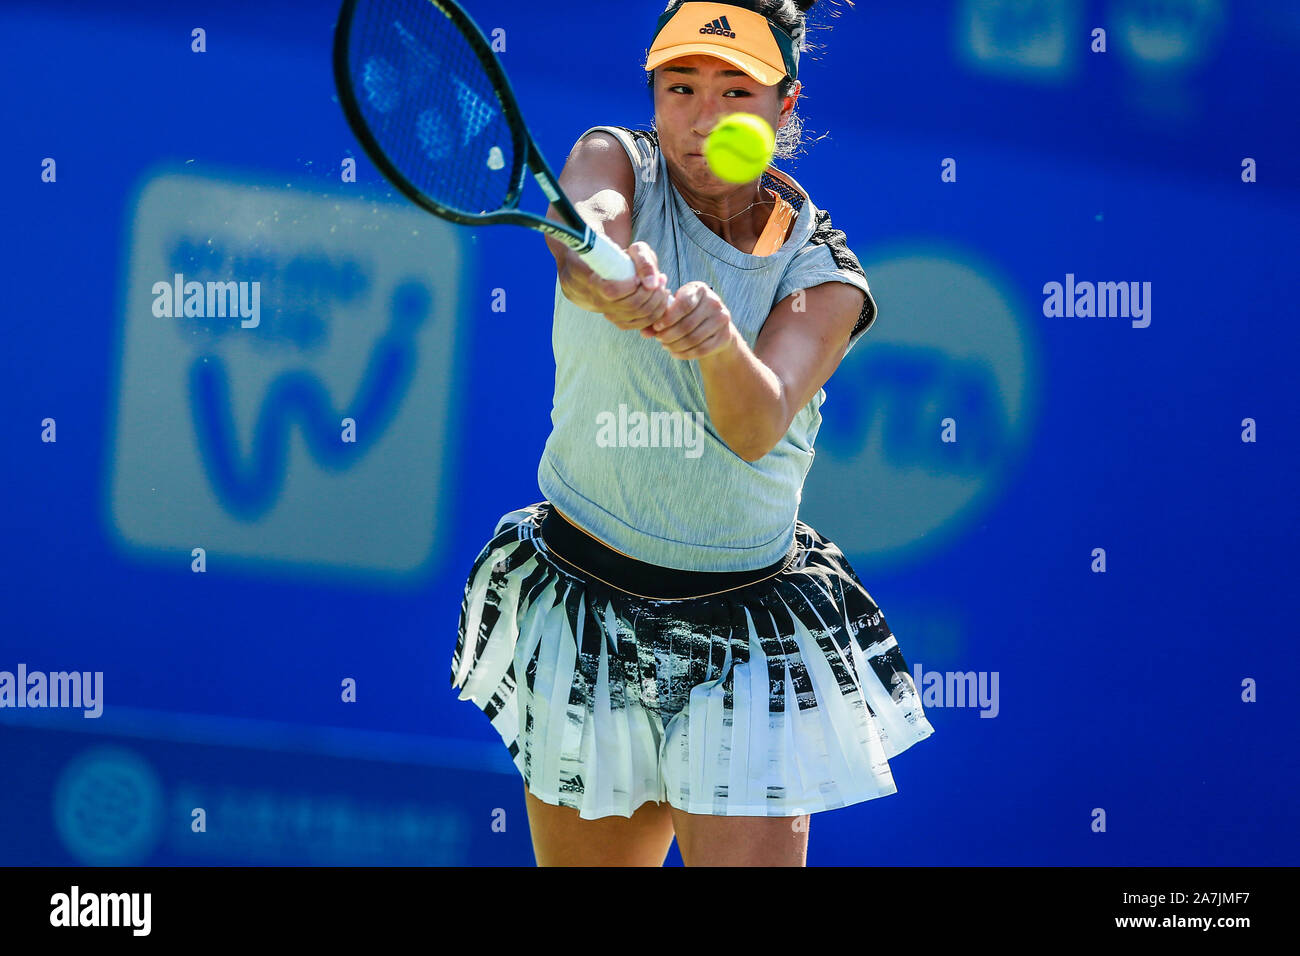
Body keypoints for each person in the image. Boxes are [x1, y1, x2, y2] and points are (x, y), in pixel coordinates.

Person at [450, 0, 934, 867]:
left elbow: (755, 424)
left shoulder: (824, 276)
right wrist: (610, 269)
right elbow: (587, 230)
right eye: (680, 87)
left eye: (734, 90)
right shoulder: (614, 159)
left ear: (784, 109)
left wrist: (714, 343)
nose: (703, 117)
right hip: (584, 602)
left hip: (744, 641)